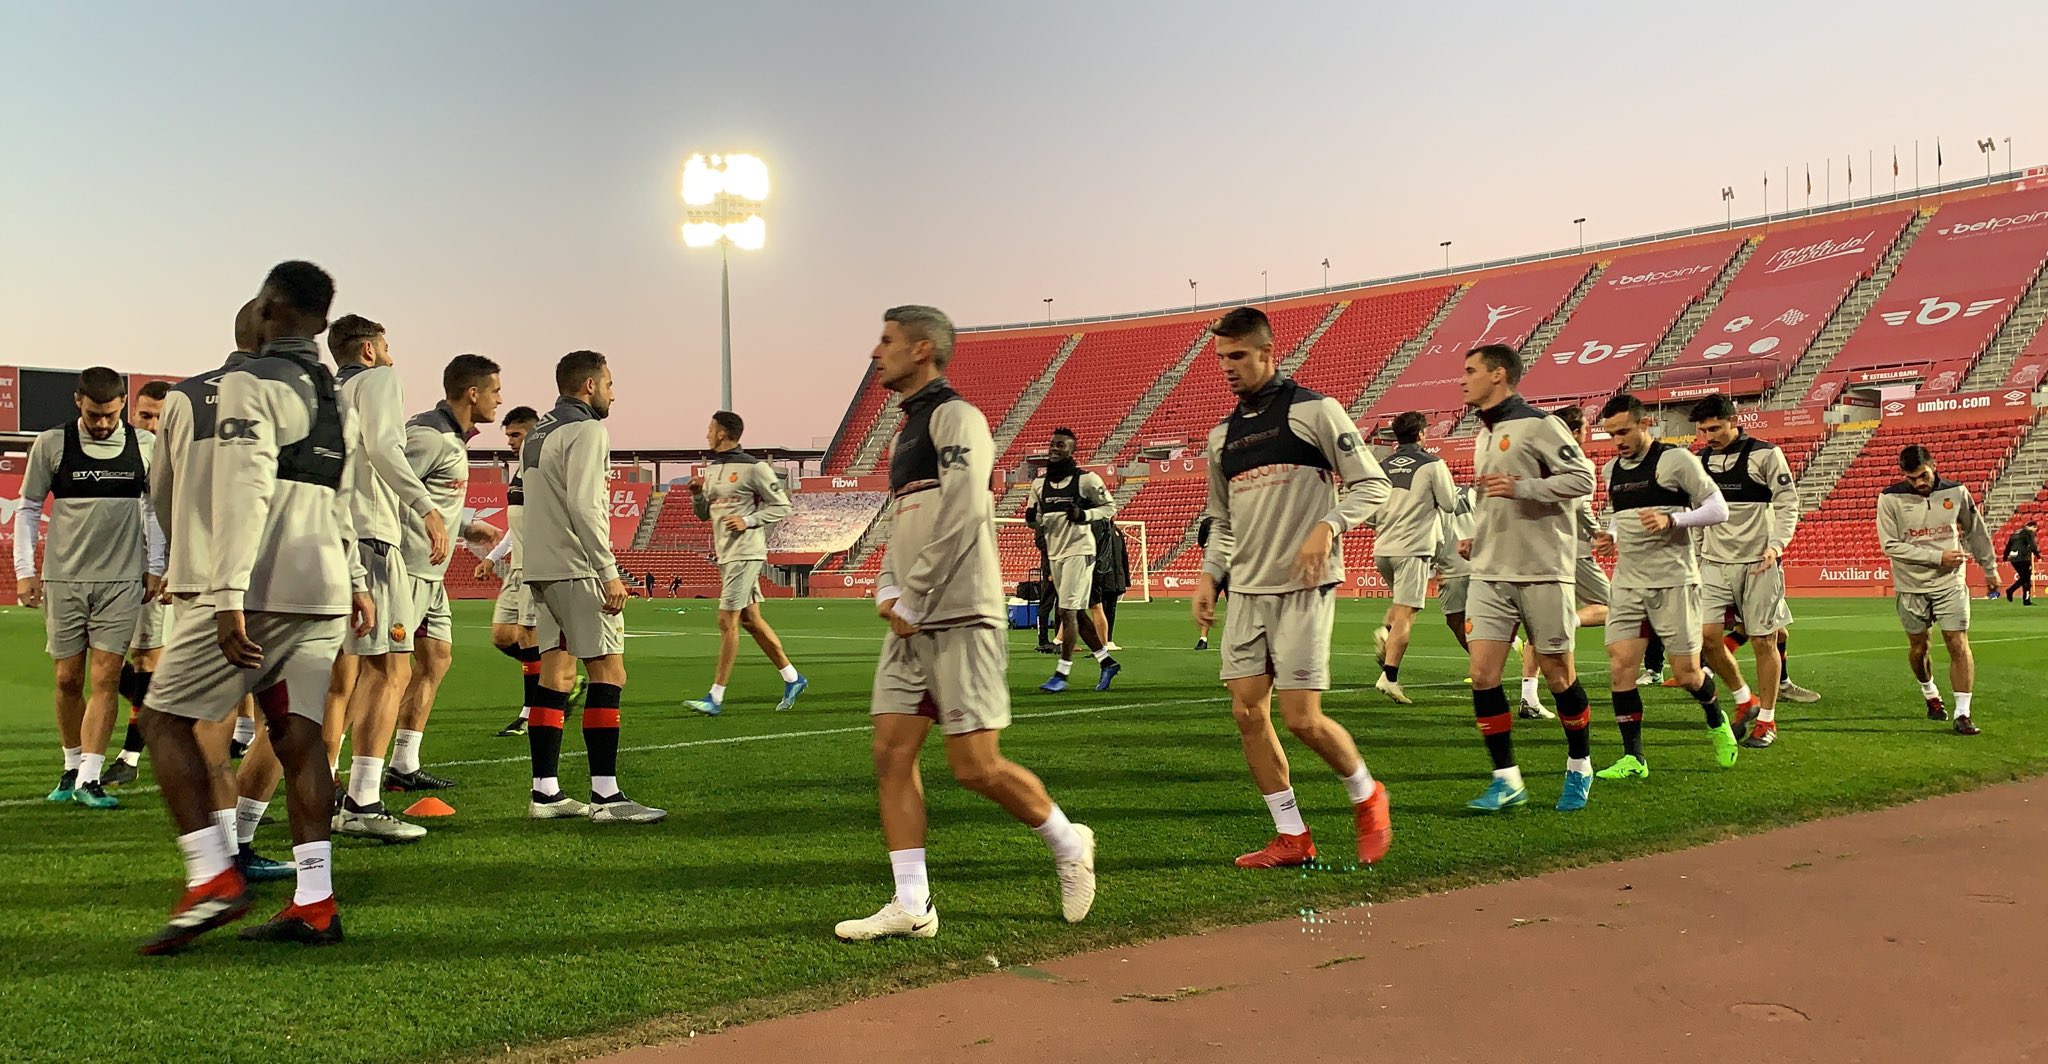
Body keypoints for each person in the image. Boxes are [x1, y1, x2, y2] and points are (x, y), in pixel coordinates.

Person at [838, 305, 1095, 940]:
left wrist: (915, 594)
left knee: (975, 766)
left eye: (887, 341)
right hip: (913, 616)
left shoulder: (958, 417)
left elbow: (963, 511)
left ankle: (1069, 843)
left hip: (961, 612)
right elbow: (907, 519)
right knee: (890, 754)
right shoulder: (908, 430)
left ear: (922, 349)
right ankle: (913, 904)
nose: (876, 352)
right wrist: (889, 586)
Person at [139, 260, 373, 952]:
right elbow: (346, 496)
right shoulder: (334, 393)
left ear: (268, 308)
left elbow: (244, 492)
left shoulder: (242, 380)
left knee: (162, 721)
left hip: (256, 586)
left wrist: (227, 592)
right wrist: (356, 580)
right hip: (322, 585)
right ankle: (316, 901)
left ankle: (212, 874)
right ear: (323, 323)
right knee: (300, 739)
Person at [1191, 306, 1393, 870]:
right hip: (1247, 593)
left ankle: (1367, 794)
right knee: (1247, 713)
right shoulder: (1221, 438)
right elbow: (1223, 521)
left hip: (1303, 587)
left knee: (1302, 719)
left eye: (1237, 356)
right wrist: (1210, 574)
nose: (1228, 368)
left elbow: (1372, 485)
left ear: (1266, 352)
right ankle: (1292, 835)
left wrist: (1328, 526)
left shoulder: (1314, 412)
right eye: (1221, 358)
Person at [520, 351, 664, 822]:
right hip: (577, 567)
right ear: (588, 385)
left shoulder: (537, 432)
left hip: (541, 568)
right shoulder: (587, 430)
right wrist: (607, 569)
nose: (613, 392)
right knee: (609, 673)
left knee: (555, 676)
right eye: (609, 382)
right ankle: (606, 796)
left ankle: (545, 793)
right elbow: (585, 505)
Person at [16, 366, 167, 810]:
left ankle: (91, 776)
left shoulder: (144, 446)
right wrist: (25, 570)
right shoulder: (52, 443)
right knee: (67, 679)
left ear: (123, 403)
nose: (103, 424)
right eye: (94, 415)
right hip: (63, 578)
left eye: (110, 415)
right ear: (78, 400)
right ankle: (71, 764)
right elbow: (27, 509)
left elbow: (154, 510)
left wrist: (155, 564)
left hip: (121, 580)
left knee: (105, 677)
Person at [1457, 344, 1600, 813]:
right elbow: (1494, 501)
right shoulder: (1483, 435)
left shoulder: (1540, 425)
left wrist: (1526, 488)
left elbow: (1583, 478)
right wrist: (1477, 538)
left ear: (1498, 375)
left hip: (1543, 571)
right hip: (1489, 573)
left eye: (1471, 371)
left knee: (1559, 675)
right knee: (1482, 675)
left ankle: (1580, 766)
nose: (1464, 380)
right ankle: (1507, 780)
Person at [325, 313, 444, 842]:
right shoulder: (379, 381)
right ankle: (363, 801)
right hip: (370, 538)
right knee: (389, 670)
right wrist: (425, 506)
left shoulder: (321, 392)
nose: (393, 356)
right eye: (388, 346)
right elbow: (384, 447)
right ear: (369, 350)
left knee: (332, 681)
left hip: (324, 539)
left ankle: (317, 790)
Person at [1587, 394, 1737, 781]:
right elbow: (1624, 518)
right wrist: (1612, 536)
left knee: (1687, 674)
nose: (1618, 440)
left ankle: (1715, 717)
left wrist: (1674, 521)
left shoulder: (1674, 461)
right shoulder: (1610, 471)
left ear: (1644, 424)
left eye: (1624, 431)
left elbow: (1718, 508)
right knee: (1621, 668)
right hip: (1628, 582)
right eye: (1611, 434)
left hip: (1674, 581)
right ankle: (1634, 758)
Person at [385, 354, 500, 790]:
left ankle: (404, 764)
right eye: (495, 391)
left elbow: (428, 496)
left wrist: (466, 525)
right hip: (406, 570)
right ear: (473, 393)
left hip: (431, 576)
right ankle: (338, 775)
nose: (499, 399)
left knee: (436, 659)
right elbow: (389, 489)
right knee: (380, 675)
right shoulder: (428, 435)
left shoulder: (451, 439)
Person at [1690, 395, 1800, 748]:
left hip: (1758, 563)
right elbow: (1695, 512)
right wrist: (1694, 554)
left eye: (1716, 428)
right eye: (1704, 430)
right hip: (1714, 563)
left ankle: (1767, 720)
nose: (1710, 435)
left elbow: (1787, 503)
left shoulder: (1766, 454)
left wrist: (1776, 546)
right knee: (1708, 639)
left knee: (1764, 641)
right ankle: (1744, 700)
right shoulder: (1699, 461)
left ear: (1734, 421)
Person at [683, 411, 808, 715]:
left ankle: (715, 696)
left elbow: (782, 505)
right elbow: (703, 514)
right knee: (750, 620)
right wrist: (698, 495)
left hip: (746, 552)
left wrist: (749, 520)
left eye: (710, 429)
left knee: (727, 621)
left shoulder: (755, 468)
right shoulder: (711, 471)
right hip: (726, 553)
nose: (707, 434)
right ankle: (793, 678)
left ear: (723, 433)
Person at [1878, 445, 1999, 736]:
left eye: (1923, 475)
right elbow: (1890, 545)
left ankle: (1963, 713)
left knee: (1957, 642)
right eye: (1911, 478)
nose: (1919, 482)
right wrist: (1936, 557)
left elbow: (1975, 530)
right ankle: (1930, 693)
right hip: (1911, 584)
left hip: (1950, 582)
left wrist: (1990, 568)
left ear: (1933, 464)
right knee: (1920, 648)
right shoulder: (1889, 498)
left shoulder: (1956, 492)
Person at [1514, 405, 1609, 721]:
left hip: (1535, 550)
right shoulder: (1579, 463)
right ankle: (1570, 621)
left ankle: (1528, 696)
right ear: (1576, 431)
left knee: (1540, 625)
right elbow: (1578, 508)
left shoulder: (1535, 460)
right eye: (1584, 427)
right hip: (1572, 550)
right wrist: (1597, 532)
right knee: (1615, 607)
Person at [105, 380, 176, 787]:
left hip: (155, 572)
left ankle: (129, 757)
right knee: (105, 664)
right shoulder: (121, 448)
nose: (150, 425)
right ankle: (162, 711)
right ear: (132, 411)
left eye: (159, 418)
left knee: (146, 660)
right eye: (144, 415)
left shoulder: (174, 457)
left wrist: (164, 565)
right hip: (109, 569)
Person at [1368, 411, 1459, 705]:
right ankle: (1389, 677)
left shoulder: (1380, 465)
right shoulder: (1432, 464)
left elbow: (1368, 515)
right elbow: (1449, 503)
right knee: (1407, 613)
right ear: (1422, 434)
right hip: (1413, 548)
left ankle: (1385, 631)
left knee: (1403, 606)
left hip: (1383, 548)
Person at [1027, 429, 1122, 693]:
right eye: (1052, 444)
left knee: (1066, 611)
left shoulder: (1086, 480)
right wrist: (1031, 519)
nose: (1054, 449)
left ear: (1072, 451)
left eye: (1061, 445)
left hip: (1080, 550)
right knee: (1076, 612)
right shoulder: (1038, 485)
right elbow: (1037, 522)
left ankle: (1061, 673)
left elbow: (1109, 507)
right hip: (1055, 553)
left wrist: (1084, 515)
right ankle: (1107, 662)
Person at [479, 407, 545, 738]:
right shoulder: (520, 470)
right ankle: (555, 676)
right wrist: (493, 557)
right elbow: (515, 523)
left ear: (533, 433)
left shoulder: (543, 468)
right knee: (502, 636)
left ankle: (530, 712)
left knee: (526, 635)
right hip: (516, 566)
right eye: (507, 436)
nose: (510, 442)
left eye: (515, 435)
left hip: (535, 565)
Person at [1087, 517, 1130, 650]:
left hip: (1116, 578)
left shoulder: (1117, 531)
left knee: (1111, 609)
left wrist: (1125, 579)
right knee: (1101, 608)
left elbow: (1123, 556)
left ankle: (1109, 639)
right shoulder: (1099, 530)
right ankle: (1101, 640)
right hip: (1104, 575)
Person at [1193, 516, 1226, 650]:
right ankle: (1204, 638)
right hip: (1227, 568)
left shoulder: (1208, 523)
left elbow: (1201, 543)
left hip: (1216, 568)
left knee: (1208, 605)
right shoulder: (1227, 519)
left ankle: (1203, 639)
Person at [2002, 519, 2038, 605]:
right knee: (2026, 578)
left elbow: (2008, 546)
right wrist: (2038, 555)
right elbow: (2032, 545)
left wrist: (2004, 557)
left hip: (2014, 558)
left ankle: (2025, 600)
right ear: (2033, 527)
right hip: (2024, 558)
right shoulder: (2028, 532)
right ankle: (2011, 591)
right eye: (2035, 529)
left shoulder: (2015, 533)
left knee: (2024, 578)